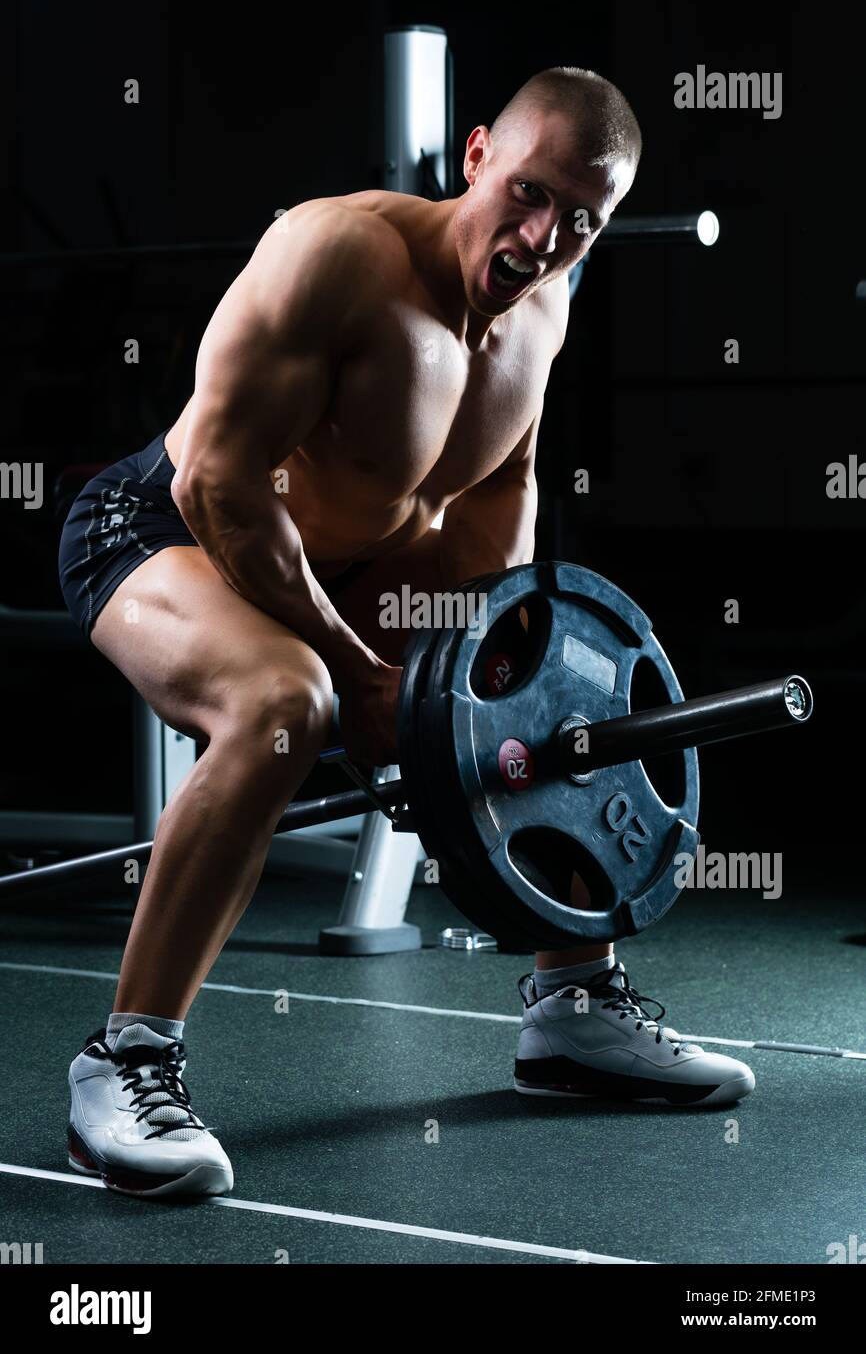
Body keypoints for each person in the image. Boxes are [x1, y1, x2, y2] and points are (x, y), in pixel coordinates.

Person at [58, 66, 754, 1200]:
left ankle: (571, 1007)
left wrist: (488, 692)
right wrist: (361, 675)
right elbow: (222, 491)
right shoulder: (334, 257)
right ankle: (122, 1062)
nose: (541, 236)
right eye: (526, 193)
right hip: (155, 526)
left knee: (549, 680)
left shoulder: (548, 306)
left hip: (350, 559)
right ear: (474, 154)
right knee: (289, 706)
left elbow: (497, 499)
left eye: (580, 218)